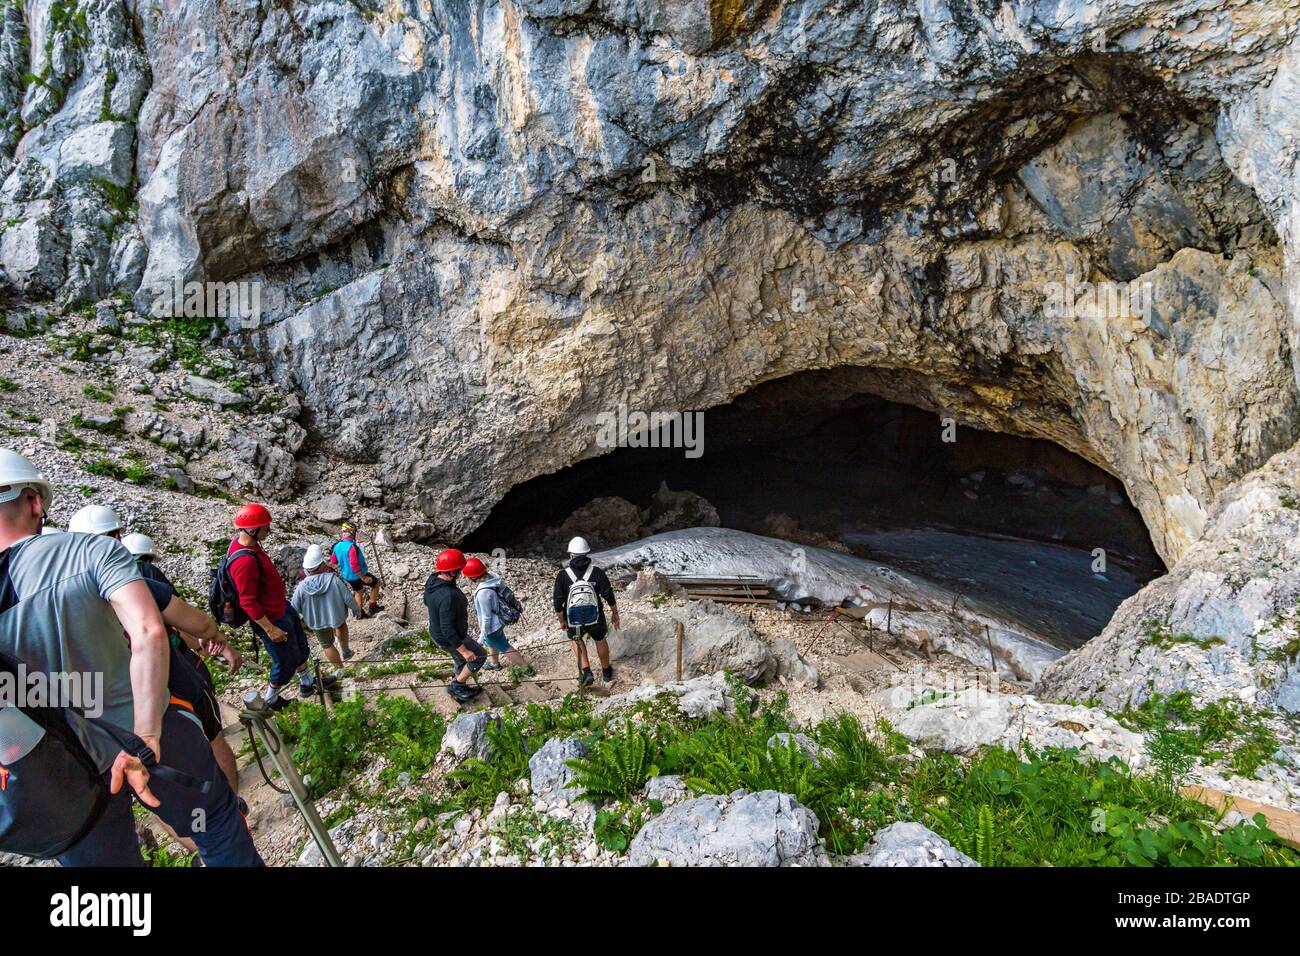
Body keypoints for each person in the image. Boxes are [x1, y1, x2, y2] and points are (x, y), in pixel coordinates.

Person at [0, 449, 262, 866]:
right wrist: (148, 734)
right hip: (144, 734)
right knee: (215, 824)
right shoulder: (90, 554)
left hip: (54, 773)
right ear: (34, 501)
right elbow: (148, 631)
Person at [122, 532, 243, 794]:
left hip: (132, 688)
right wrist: (210, 640)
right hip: (175, 667)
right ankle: (232, 801)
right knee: (213, 735)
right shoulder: (143, 574)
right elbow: (182, 620)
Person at [228, 503, 333, 708]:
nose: (268, 531)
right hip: (270, 618)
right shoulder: (244, 562)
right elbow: (247, 600)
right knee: (284, 661)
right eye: (265, 527)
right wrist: (270, 629)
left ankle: (307, 683)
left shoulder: (251, 545)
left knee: (300, 648)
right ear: (251, 529)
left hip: (280, 607)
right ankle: (271, 700)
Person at [552, 536, 619, 686]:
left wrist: (562, 621)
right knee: (600, 639)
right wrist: (615, 613)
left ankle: (586, 671)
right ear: (586, 554)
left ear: (571, 555)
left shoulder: (563, 576)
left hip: (573, 618)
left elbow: (557, 603)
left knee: (577, 639)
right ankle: (606, 672)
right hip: (595, 616)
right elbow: (608, 595)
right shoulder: (597, 573)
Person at [422, 548, 484, 703]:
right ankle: (457, 685)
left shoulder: (432, 581)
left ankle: (459, 684)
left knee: (461, 660)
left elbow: (426, 601)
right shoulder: (448, 596)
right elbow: (447, 628)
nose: (461, 573)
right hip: (450, 636)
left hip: (437, 632)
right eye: (459, 570)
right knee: (478, 656)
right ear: (451, 572)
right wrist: (464, 651)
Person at [291, 544, 356, 670]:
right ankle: (346, 650)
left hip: (316, 621)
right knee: (341, 625)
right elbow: (348, 597)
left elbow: (294, 607)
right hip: (336, 615)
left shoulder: (301, 587)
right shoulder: (333, 579)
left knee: (327, 645)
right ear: (321, 564)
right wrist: (357, 609)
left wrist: (297, 622)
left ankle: (340, 669)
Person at [463, 557, 532, 674]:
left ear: (473, 577)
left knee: (504, 647)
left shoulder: (483, 593)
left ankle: (527, 669)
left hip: (492, 626)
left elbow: (486, 617)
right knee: (492, 642)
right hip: (499, 621)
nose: (466, 578)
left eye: (468, 576)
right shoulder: (493, 578)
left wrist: (481, 637)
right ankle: (494, 663)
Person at [331, 522, 383, 617]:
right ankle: (372, 607)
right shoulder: (352, 547)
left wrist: (343, 562)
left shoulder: (337, 546)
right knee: (376, 584)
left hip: (347, 576)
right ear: (351, 532)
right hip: (359, 574)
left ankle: (360, 613)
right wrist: (363, 578)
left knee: (358, 591)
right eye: (354, 531)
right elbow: (354, 565)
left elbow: (334, 561)